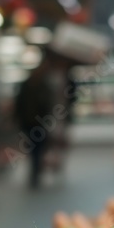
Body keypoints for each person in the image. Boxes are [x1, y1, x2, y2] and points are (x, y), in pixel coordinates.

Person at [15, 49, 72, 189]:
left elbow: (47, 104)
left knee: (38, 149)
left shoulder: (42, 85)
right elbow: (20, 103)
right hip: (31, 123)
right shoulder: (34, 85)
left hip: (38, 123)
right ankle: (36, 171)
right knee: (35, 149)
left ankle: (37, 171)